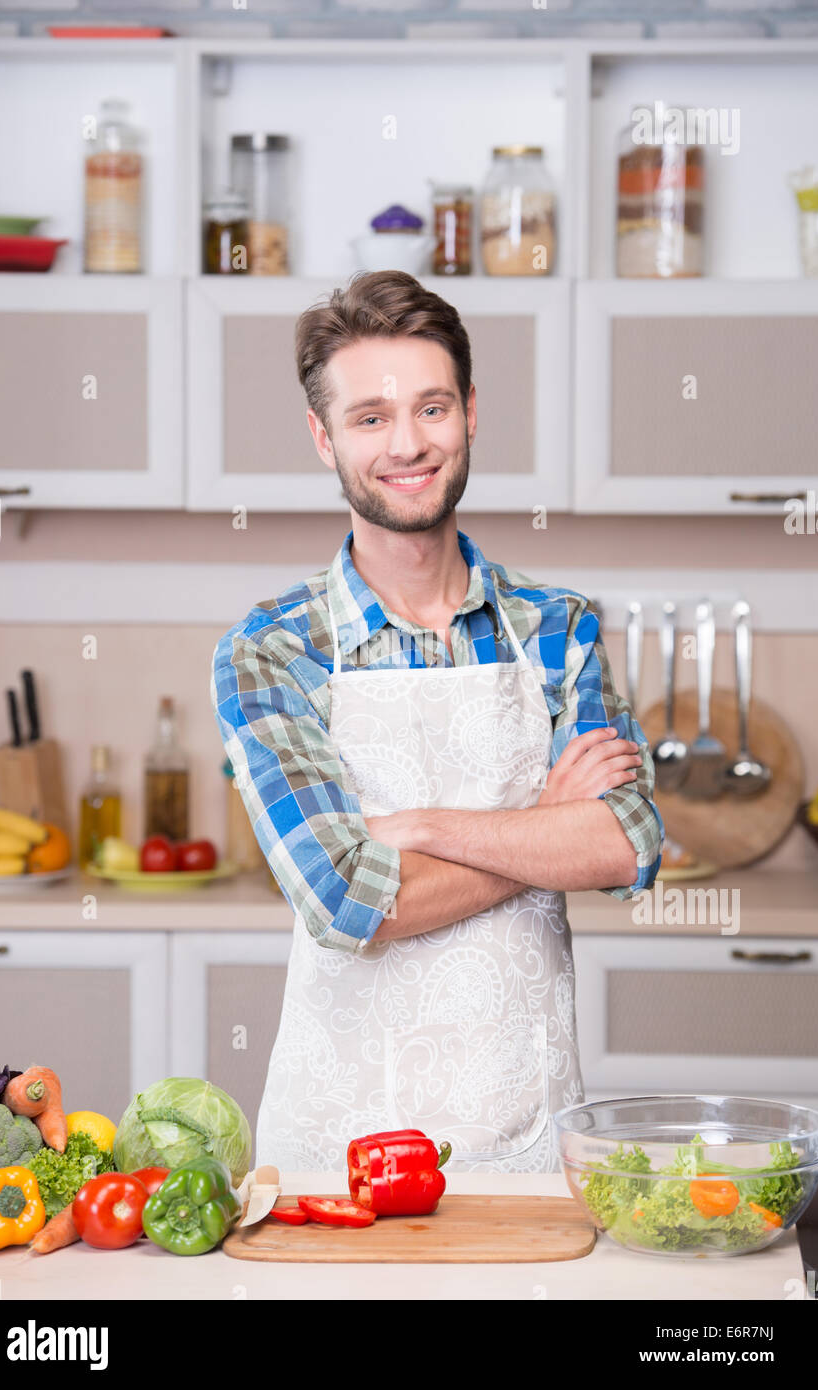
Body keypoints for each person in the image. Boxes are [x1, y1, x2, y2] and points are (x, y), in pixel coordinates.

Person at [211, 270, 664, 1173]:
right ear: (322, 436)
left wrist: (415, 832)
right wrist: (543, 828)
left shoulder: (557, 625)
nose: (407, 444)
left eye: (431, 407)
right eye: (370, 417)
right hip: (333, 1143)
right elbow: (348, 905)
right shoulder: (270, 652)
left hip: (524, 1134)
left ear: (468, 412)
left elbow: (627, 849)